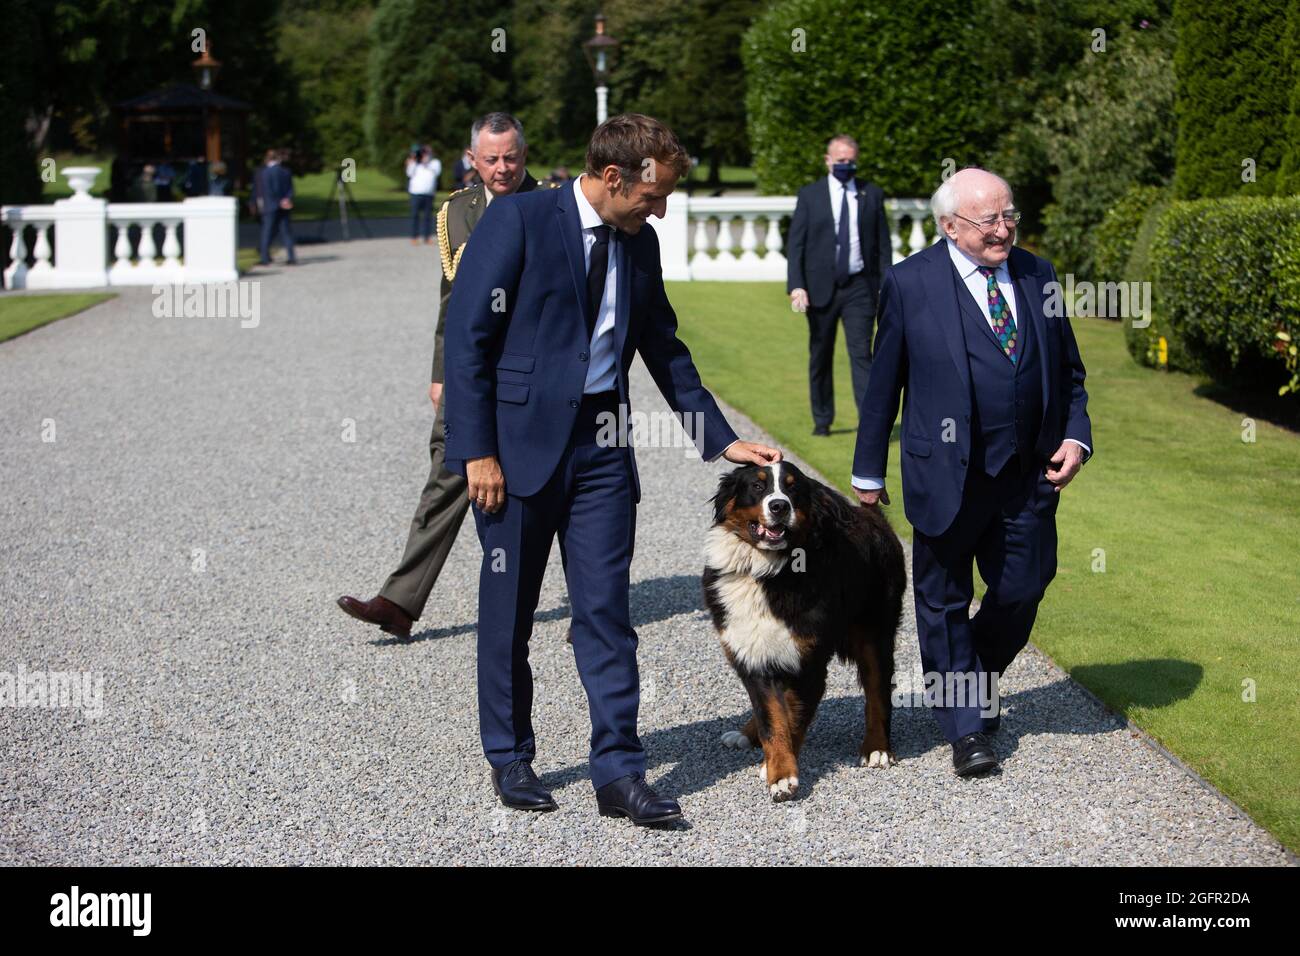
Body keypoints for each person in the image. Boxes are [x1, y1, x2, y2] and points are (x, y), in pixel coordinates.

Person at [443, 113, 780, 825]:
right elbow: (468, 341)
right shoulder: (518, 222)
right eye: (653, 197)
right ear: (613, 177)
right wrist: (477, 451)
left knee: (606, 614)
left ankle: (619, 773)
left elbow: (664, 346)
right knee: (510, 615)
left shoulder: (640, 241)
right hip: (512, 454)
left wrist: (722, 440)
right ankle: (510, 757)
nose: (659, 211)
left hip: (601, 451)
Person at [850, 168, 1093, 777]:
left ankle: (965, 678)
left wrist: (1075, 435)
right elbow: (884, 386)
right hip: (944, 474)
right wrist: (867, 469)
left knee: (1023, 588)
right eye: (989, 220)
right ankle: (966, 730)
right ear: (950, 226)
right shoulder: (909, 283)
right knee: (943, 600)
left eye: (1009, 215)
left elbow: (1069, 373)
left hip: (1026, 473)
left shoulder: (1040, 275)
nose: (1003, 229)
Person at [338, 113, 557, 639]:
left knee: (558, 487)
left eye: (511, 157)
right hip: (471, 373)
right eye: (491, 159)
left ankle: (595, 611)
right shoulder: (458, 211)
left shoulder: (553, 206)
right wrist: (440, 371)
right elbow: (452, 302)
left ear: (524, 155)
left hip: (534, 373)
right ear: (471, 159)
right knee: (446, 475)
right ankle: (400, 601)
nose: (502, 168)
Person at [786, 134, 891, 436]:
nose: (846, 165)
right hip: (820, 288)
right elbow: (796, 245)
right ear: (828, 160)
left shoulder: (872, 194)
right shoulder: (810, 195)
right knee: (820, 354)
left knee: (862, 354)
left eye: (851, 160)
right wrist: (797, 285)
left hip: (860, 286)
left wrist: (887, 286)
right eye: (840, 160)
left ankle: (870, 423)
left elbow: (882, 246)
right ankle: (822, 420)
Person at [252, 148, 296, 266]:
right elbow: (290, 189)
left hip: (270, 205)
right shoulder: (286, 171)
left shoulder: (265, 173)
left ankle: (265, 258)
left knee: (267, 232)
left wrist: (277, 201)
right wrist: (286, 199)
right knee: (286, 232)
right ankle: (291, 257)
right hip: (284, 205)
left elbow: (268, 190)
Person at [406, 144, 441, 245]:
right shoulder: (415, 163)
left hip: (429, 194)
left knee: (427, 216)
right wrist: (413, 161)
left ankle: (427, 237)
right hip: (416, 193)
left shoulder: (435, 163)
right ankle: (414, 236)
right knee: (414, 215)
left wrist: (426, 162)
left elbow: (437, 172)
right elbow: (409, 173)